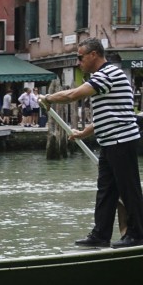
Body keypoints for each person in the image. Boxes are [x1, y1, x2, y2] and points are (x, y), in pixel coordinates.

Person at [43, 38, 143, 248]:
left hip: (121, 140)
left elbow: (73, 95)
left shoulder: (108, 74)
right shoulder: (104, 76)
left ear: (93, 55)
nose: (78, 62)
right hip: (110, 141)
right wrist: (84, 132)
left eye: (80, 57)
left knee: (128, 188)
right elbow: (108, 115)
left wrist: (49, 98)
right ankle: (101, 234)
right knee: (106, 190)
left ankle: (138, 233)